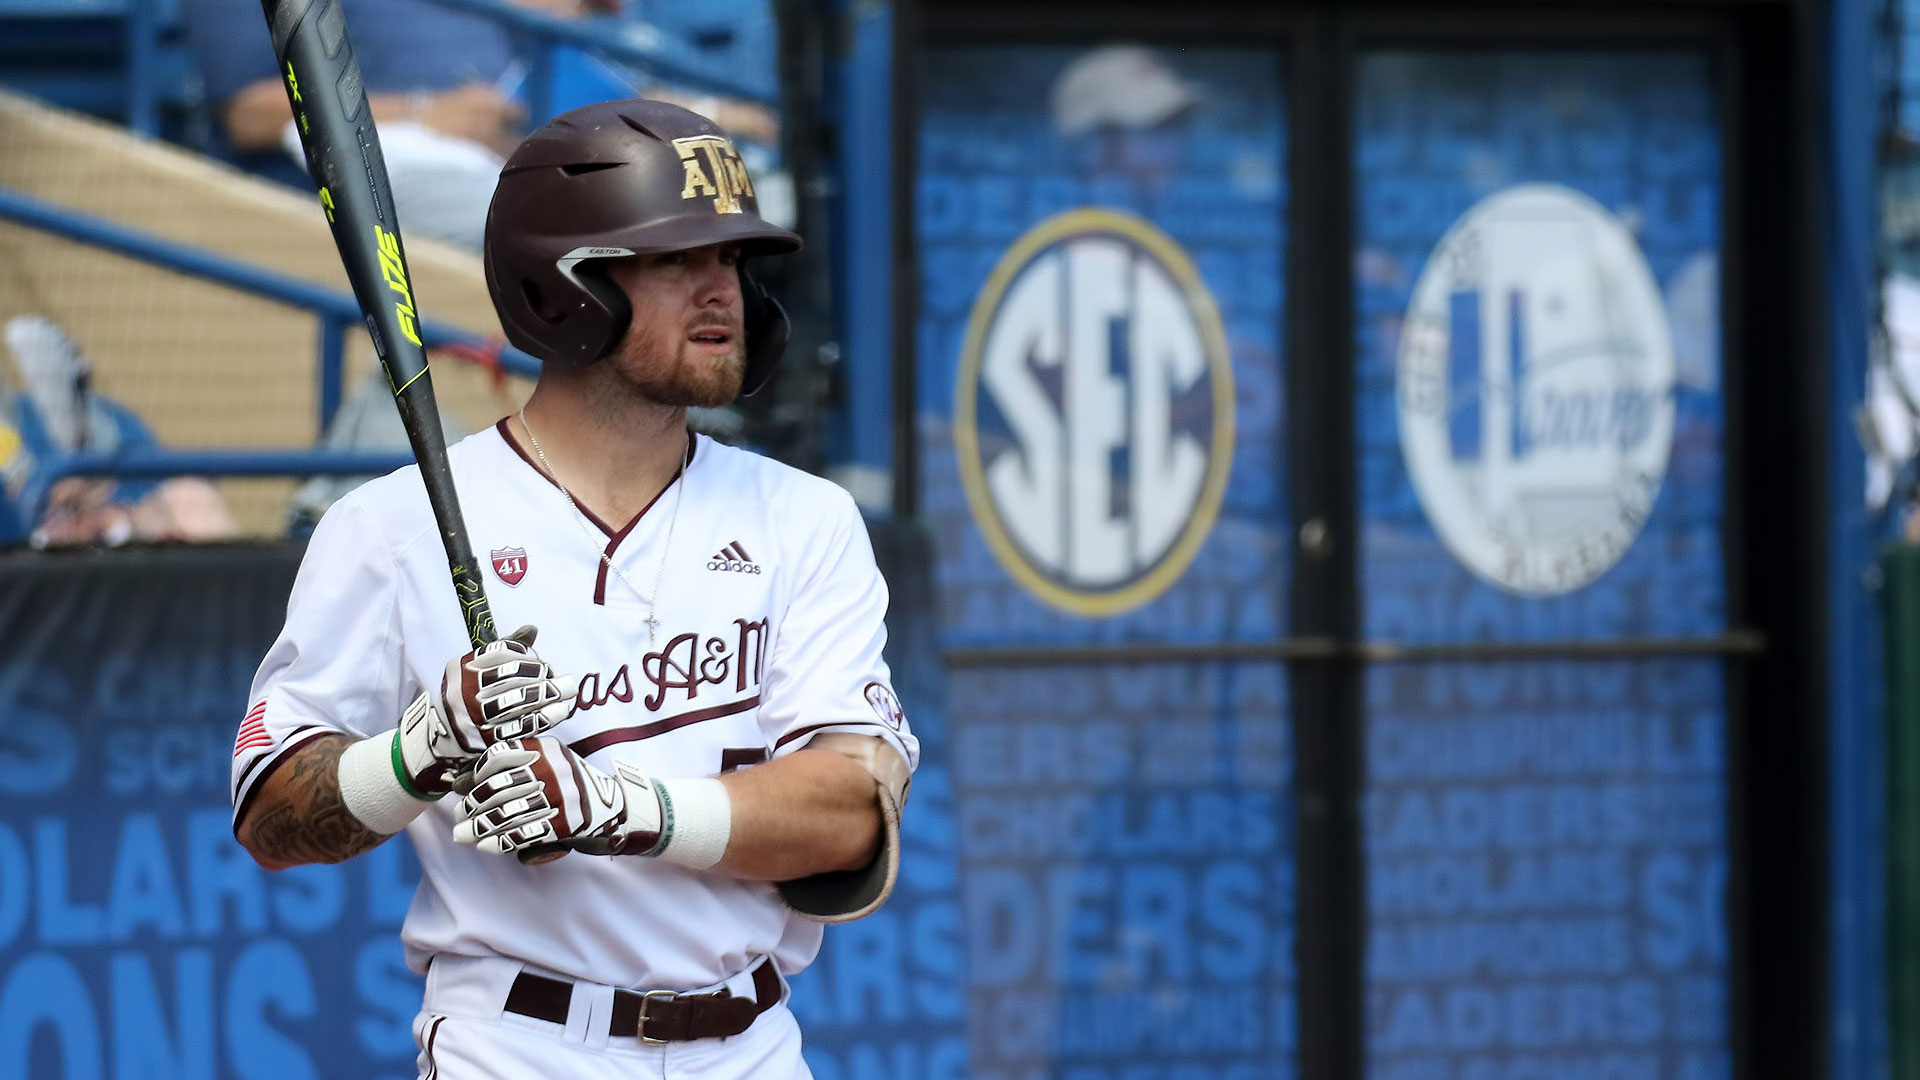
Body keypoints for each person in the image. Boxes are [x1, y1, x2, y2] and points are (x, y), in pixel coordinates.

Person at [228, 99, 916, 1079]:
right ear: (564, 289)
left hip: (755, 1046)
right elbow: (272, 815)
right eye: (676, 260)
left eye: (731, 260)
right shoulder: (390, 526)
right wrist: (422, 750)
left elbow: (848, 815)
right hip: (519, 1045)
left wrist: (616, 805)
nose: (720, 289)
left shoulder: (803, 517)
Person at [179, 0, 619, 248]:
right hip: (353, 173)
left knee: (649, 186)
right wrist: (423, 113)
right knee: (586, 218)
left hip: (489, 148)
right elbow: (249, 112)